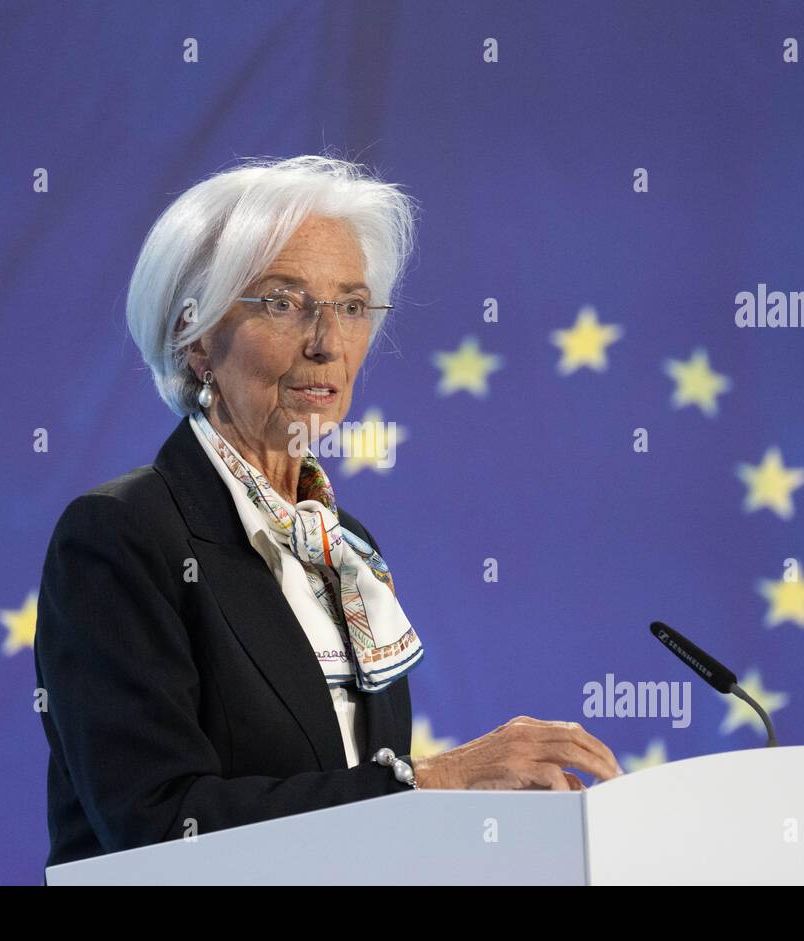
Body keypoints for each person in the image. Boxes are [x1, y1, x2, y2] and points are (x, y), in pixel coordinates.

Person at [34, 155, 621, 869]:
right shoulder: (122, 536)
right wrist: (430, 781)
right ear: (196, 344)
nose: (328, 343)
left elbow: (353, 813)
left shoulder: (344, 548)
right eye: (283, 303)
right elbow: (157, 826)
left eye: (351, 305)